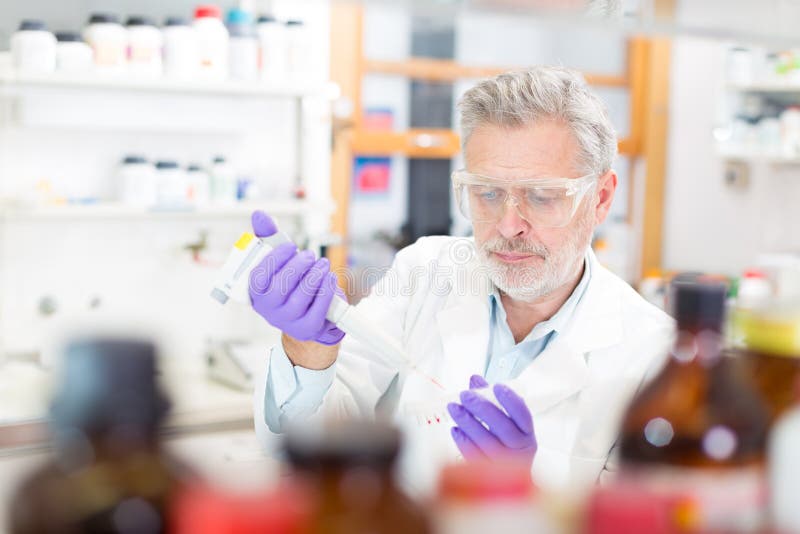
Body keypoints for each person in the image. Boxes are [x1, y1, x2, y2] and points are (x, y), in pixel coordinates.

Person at [250, 66, 674, 494]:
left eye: (542, 195)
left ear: (600, 199)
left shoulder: (655, 357)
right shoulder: (424, 271)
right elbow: (320, 440)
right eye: (487, 193)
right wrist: (305, 350)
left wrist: (526, 493)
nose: (508, 225)